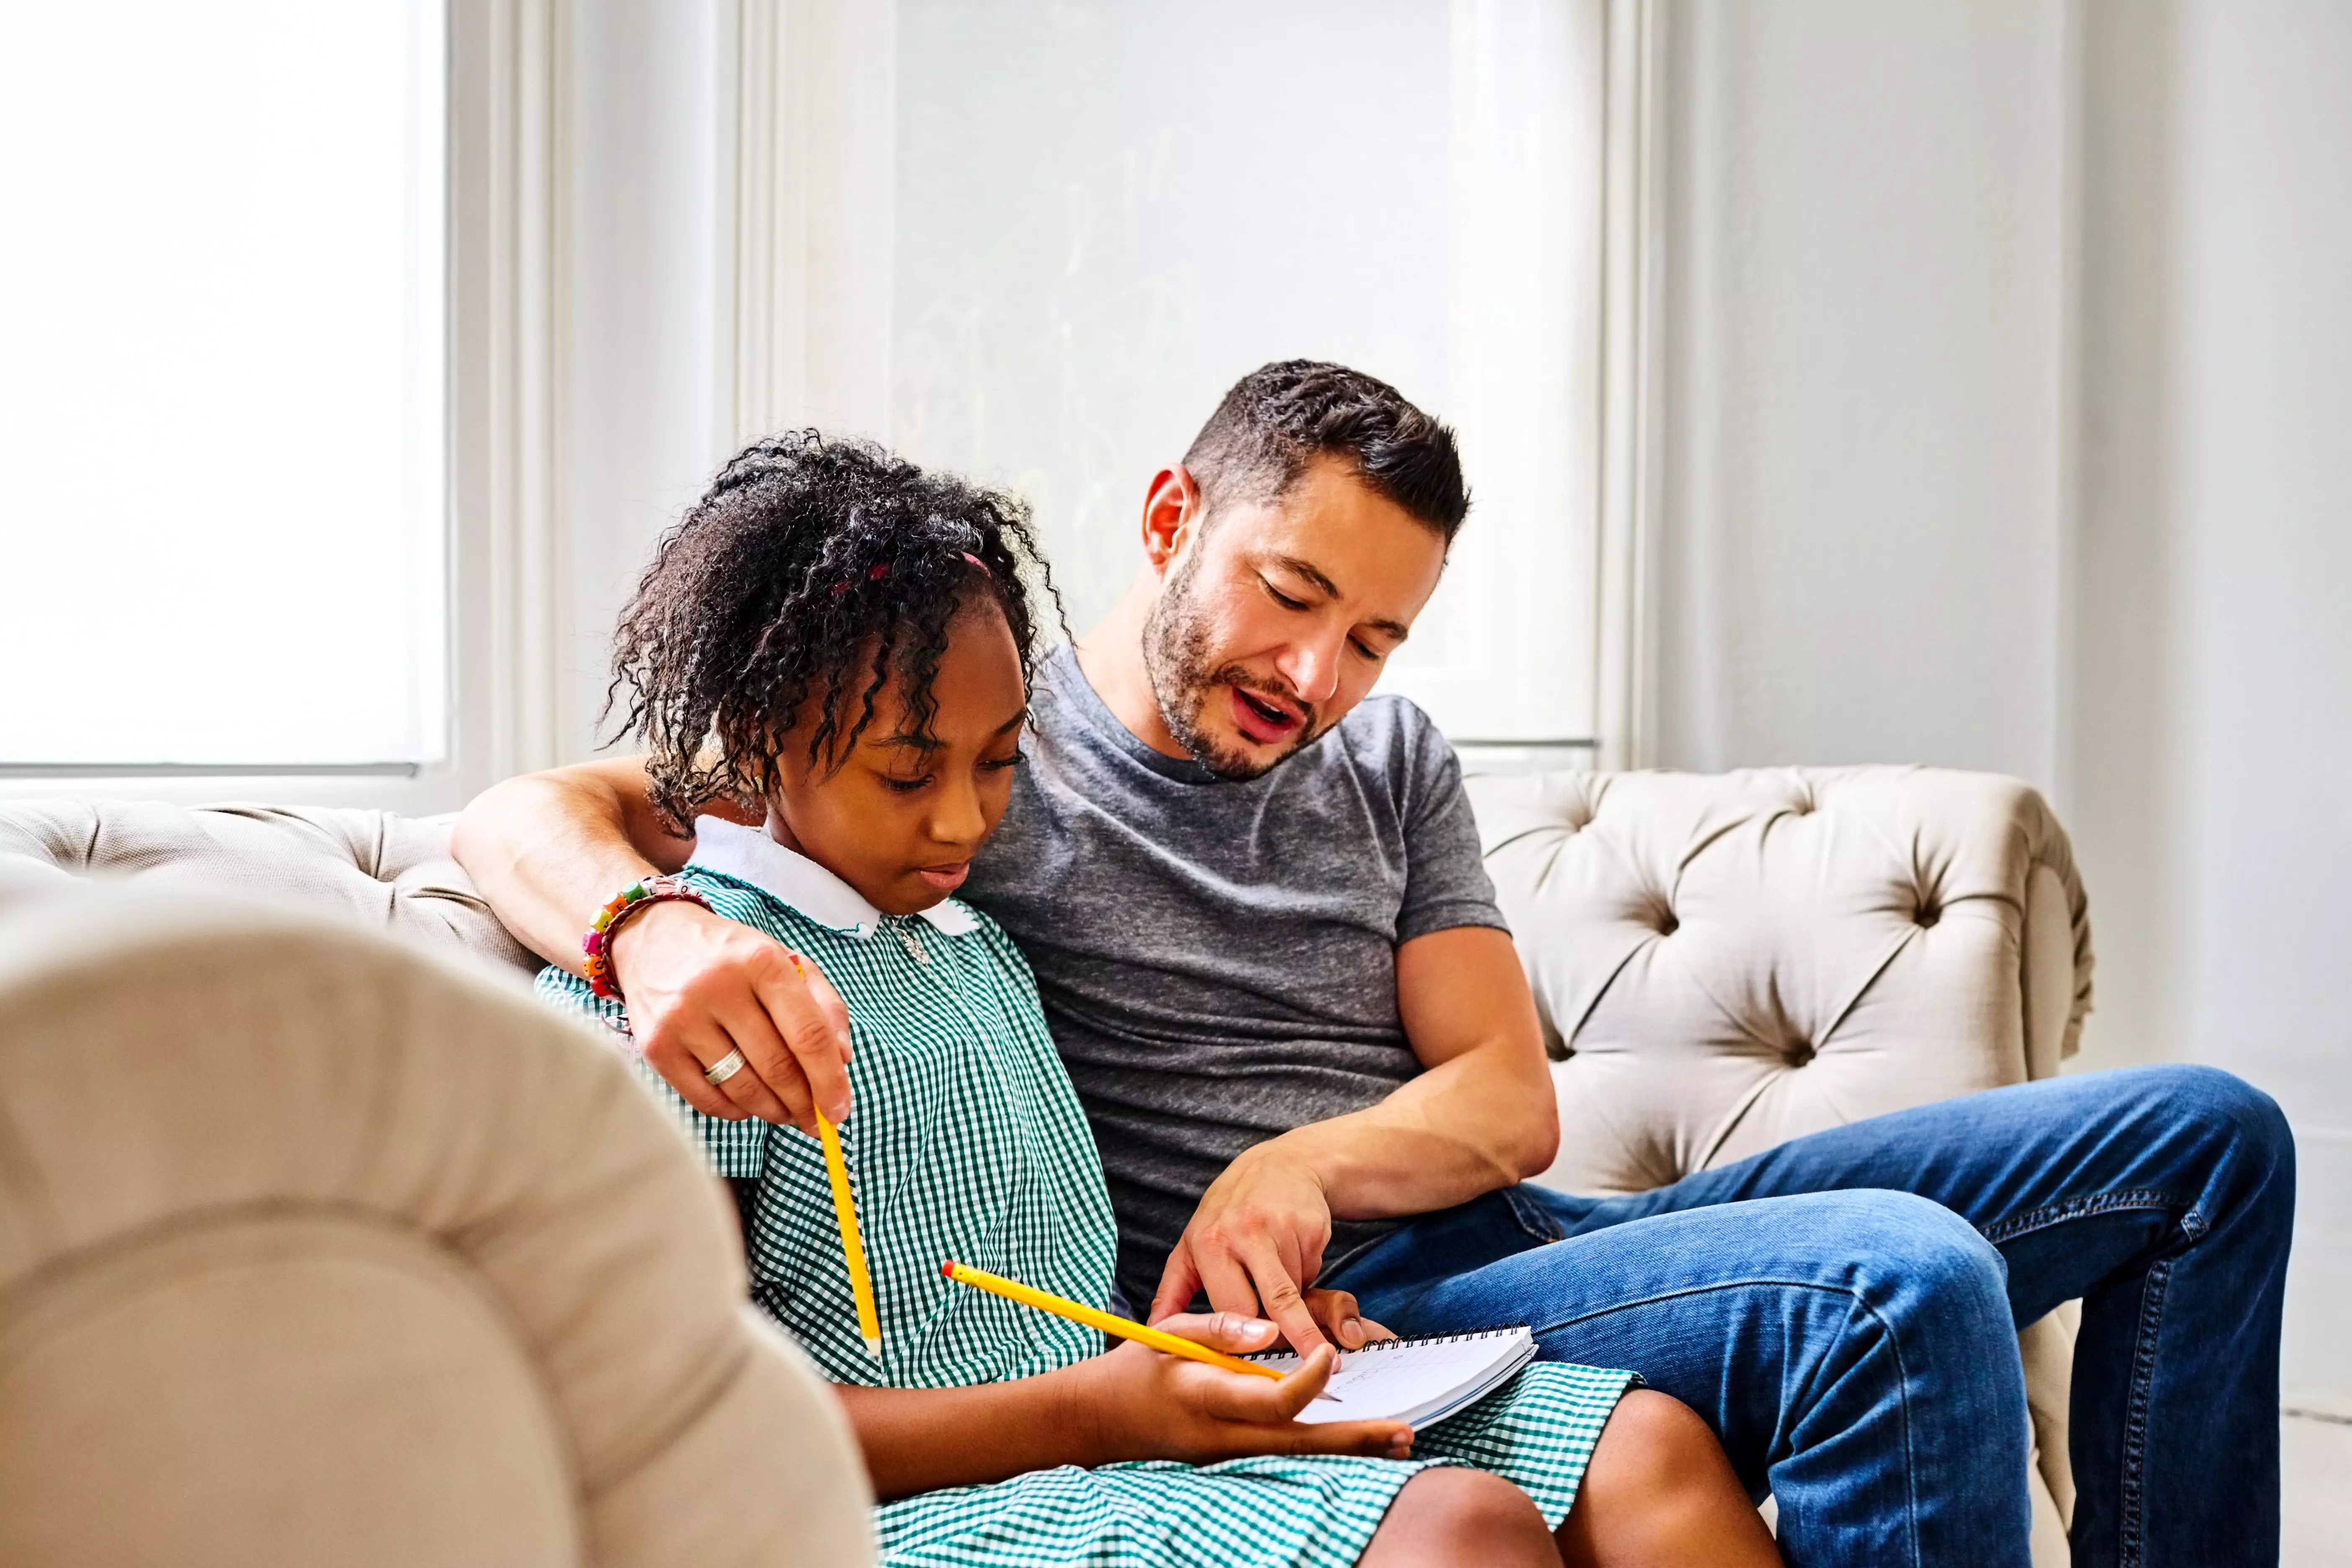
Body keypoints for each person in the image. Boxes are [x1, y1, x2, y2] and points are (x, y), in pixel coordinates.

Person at [458, 362, 2295, 1568]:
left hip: (1512, 1232)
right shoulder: (980, 773)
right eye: (1290, 596)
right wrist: (656, 927)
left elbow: (1506, 1098)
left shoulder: (1372, 762)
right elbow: (570, 812)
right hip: (1330, 1312)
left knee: (2213, 1143)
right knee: (1896, 1282)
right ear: (1174, 522)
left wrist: (1296, 1160)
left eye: (1377, 636)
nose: (1318, 678)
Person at [531, 430, 1779, 1567]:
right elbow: (667, 1428)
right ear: (756, 738)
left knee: (1649, 1449)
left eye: (1000, 761)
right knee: (1458, 1527)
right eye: (908, 773)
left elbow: (1073, 1303)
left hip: (1115, 1429)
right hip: (915, 1509)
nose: (965, 819)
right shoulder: (676, 1001)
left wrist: (1229, 1348)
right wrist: (1100, 1411)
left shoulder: (974, 954)